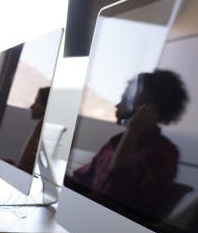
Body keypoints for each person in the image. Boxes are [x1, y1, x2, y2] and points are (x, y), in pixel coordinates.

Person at [72, 69, 189, 220]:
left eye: (125, 99)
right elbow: (82, 179)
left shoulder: (164, 154)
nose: (117, 105)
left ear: (149, 109)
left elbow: (114, 196)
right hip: (86, 214)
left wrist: (133, 131)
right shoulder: (115, 142)